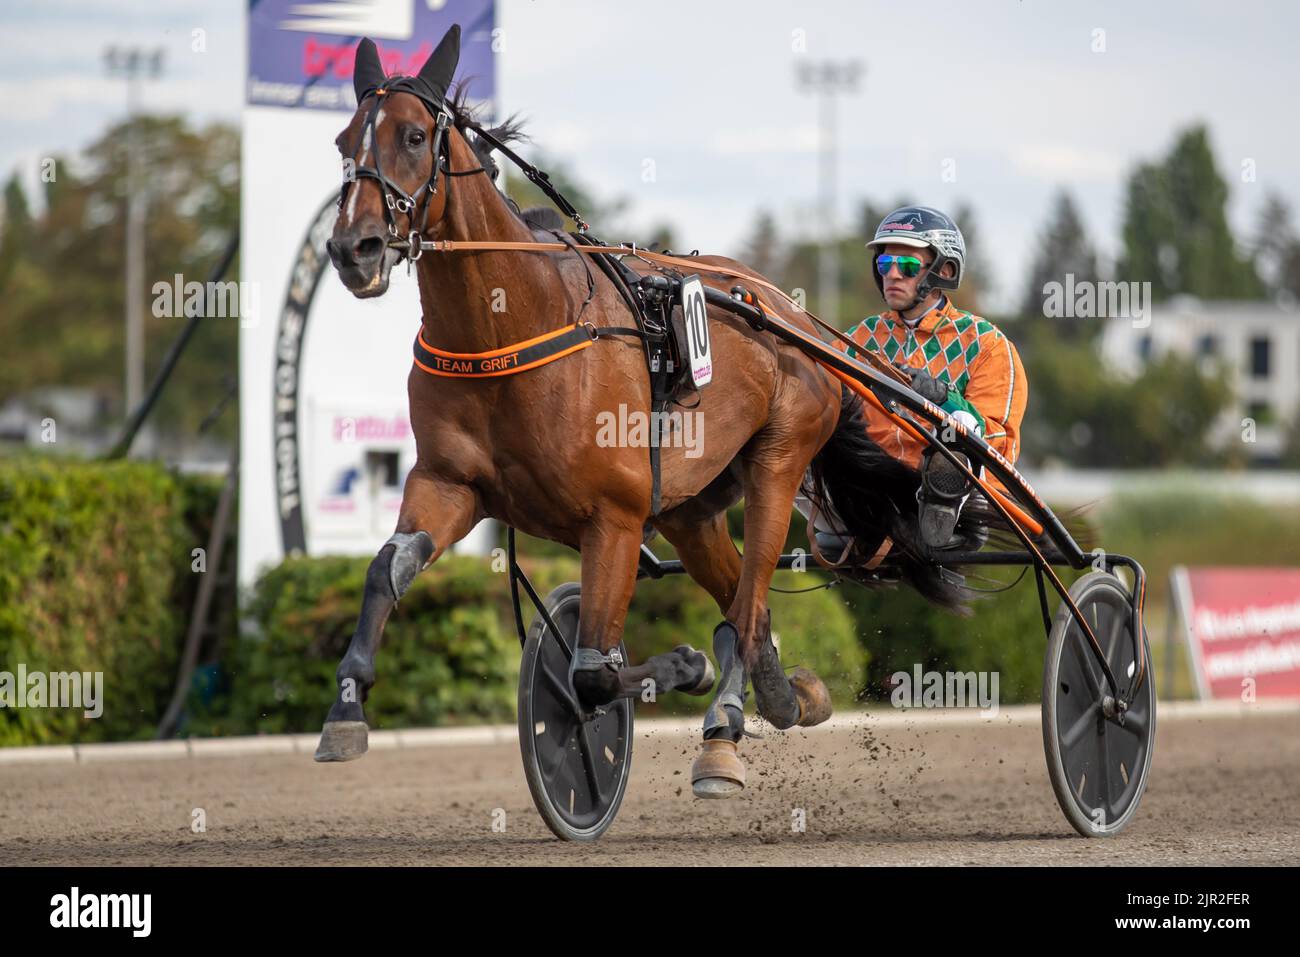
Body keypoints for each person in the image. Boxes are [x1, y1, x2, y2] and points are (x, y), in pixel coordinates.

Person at [836, 205, 1028, 548]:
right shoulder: (858, 340)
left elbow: (1000, 437)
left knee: (962, 427)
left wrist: (942, 396)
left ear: (944, 270)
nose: (892, 275)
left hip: (956, 488)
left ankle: (941, 509)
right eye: (884, 265)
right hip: (870, 487)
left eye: (907, 266)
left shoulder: (986, 344)